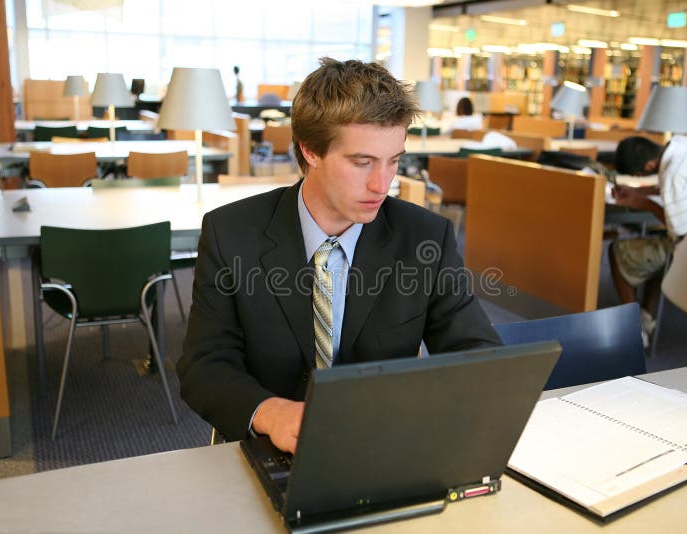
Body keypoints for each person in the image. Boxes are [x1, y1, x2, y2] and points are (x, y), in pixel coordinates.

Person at [178, 58, 501, 453]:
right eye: (362, 162)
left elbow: (478, 353)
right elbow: (204, 366)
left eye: (394, 161)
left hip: (384, 446)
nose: (382, 184)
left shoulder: (424, 238)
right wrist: (271, 412)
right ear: (310, 150)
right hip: (269, 447)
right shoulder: (231, 233)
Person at [608, 135, 687, 344]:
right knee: (655, 240)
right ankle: (646, 318)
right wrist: (640, 191)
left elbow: (678, 231)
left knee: (616, 250)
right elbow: (675, 186)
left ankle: (634, 331)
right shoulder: (684, 144)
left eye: (639, 174)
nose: (641, 176)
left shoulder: (672, 176)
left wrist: (644, 203)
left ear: (649, 165)